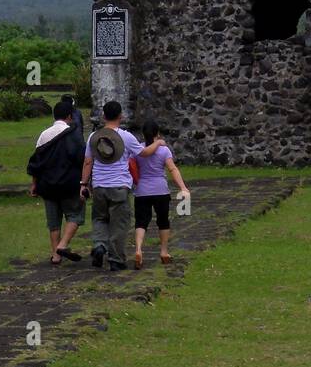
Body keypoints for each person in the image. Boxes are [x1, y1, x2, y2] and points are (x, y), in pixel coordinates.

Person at [79, 101, 163, 271]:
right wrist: (158, 143)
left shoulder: (93, 137)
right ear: (121, 116)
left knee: (99, 218)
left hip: (99, 185)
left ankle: (99, 244)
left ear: (103, 116)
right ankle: (116, 259)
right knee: (119, 223)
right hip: (120, 185)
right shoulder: (126, 137)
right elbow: (144, 153)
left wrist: (83, 184)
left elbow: (88, 162)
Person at [27, 102, 86, 265]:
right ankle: (62, 245)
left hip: (47, 185)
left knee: (53, 222)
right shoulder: (74, 135)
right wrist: (85, 182)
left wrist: (34, 184)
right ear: (69, 116)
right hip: (69, 184)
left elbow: (36, 162)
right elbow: (82, 160)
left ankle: (55, 255)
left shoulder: (44, 135)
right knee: (75, 215)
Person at [132, 119, 190, 270]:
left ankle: (138, 249)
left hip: (142, 190)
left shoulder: (138, 150)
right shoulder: (164, 150)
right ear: (157, 133)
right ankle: (164, 251)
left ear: (143, 135)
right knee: (163, 221)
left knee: (141, 222)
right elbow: (172, 169)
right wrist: (183, 187)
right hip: (160, 190)